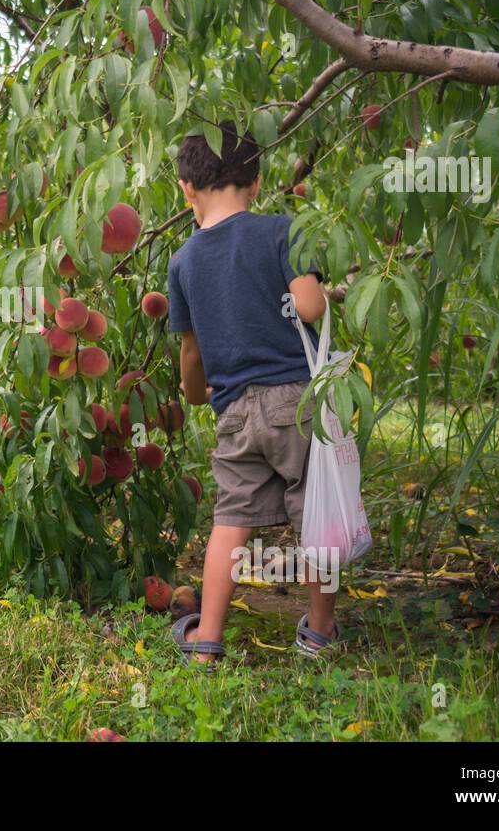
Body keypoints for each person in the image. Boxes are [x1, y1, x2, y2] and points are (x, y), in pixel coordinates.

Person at [165, 122, 336, 665]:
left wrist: (194, 392)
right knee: (317, 517)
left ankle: (207, 640)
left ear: (187, 189)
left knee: (229, 521)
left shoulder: (183, 263)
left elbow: (191, 357)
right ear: (257, 183)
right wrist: (325, 292)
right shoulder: (281, 231)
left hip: (234, 411)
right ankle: (319, 633)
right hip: (297, 404)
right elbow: (309, 308)